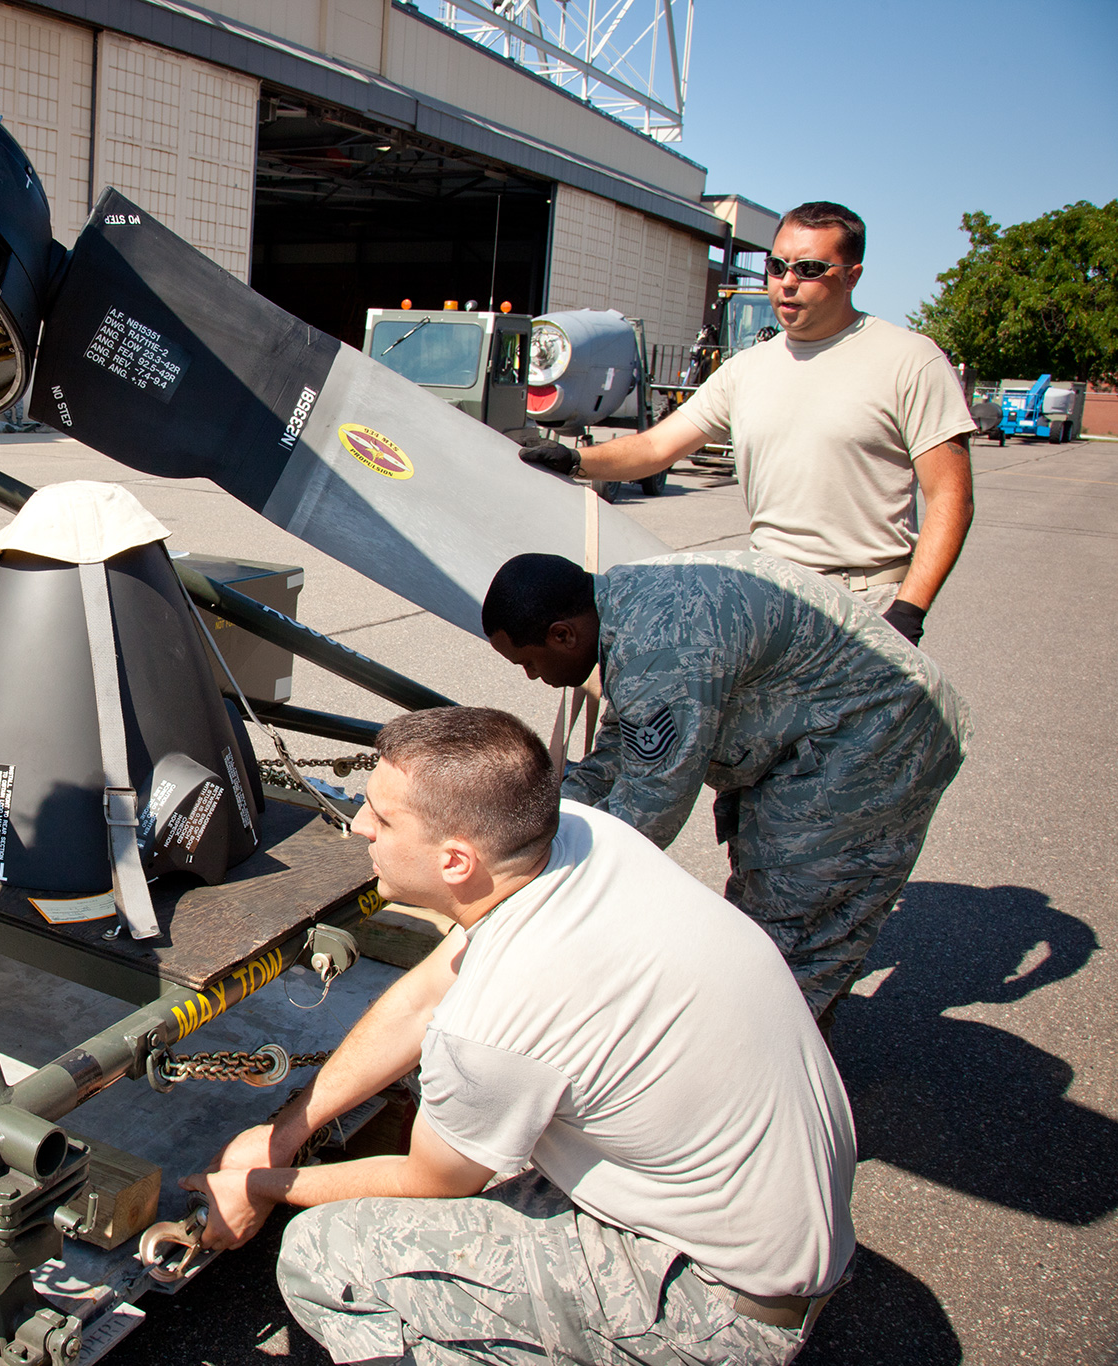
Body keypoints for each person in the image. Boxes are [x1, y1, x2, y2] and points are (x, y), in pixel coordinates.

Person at [182, 707, 855, 1365]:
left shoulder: (498, 1019)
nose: (359, 826)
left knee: (326, 1255)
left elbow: (432, 1180)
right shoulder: (581, 838)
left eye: (383, 819)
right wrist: (289, 1130)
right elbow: (426, 996)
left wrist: (264, 1185)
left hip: (715, 1306)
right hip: (771, 1224)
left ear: (455, 861)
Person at [481, 550, 970, 1020]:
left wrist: (524, 877)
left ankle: (776, 1062)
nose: (531, 676)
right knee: (760, 925)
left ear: (563, 635)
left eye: (528, 662)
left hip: (876, 740)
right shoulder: (623, 602)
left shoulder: (660, 650)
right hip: (823, 731)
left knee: (787, 944)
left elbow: (646, 814)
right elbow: (623, 747)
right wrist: (531, 820)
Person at [522, 202, 976, 647]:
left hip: (864, 602)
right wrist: (577, 459)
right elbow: (657, 448)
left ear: (852, 276)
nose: (788, 283)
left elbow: (950, 497)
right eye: (777, 267)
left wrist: (908, 611)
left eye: (810, 269)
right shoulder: (746, 369)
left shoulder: (909, 361)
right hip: (767, 595)